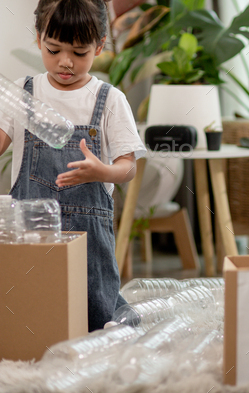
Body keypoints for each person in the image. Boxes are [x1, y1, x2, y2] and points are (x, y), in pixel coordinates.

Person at [0, 0, 146, 331]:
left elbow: (128, 166)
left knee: (97, 308)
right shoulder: (24, 93)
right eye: (54, 50)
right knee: (30, 306)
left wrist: (103, 171)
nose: (66, 62)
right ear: (39, 39)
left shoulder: (108, 99)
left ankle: (112, 328)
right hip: (33, 232)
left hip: (89, 235)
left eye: (79, 53)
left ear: (99, 45)